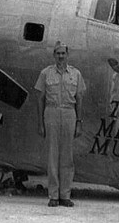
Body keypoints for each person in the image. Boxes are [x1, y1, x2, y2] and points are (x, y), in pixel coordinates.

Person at [35, 42, 86, 208]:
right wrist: (41, 122)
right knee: (52, 156)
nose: (60, 56)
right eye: (58, 53)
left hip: (69, 113)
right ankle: (53, 195)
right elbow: (40, 98)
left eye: (63, 53)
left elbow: (79, 100)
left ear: (67, 54)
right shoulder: (45, 73)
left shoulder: (76, 74)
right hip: (51, 113)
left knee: (67, 157)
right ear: (54, 55)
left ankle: (65, 195)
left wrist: (78, 122)